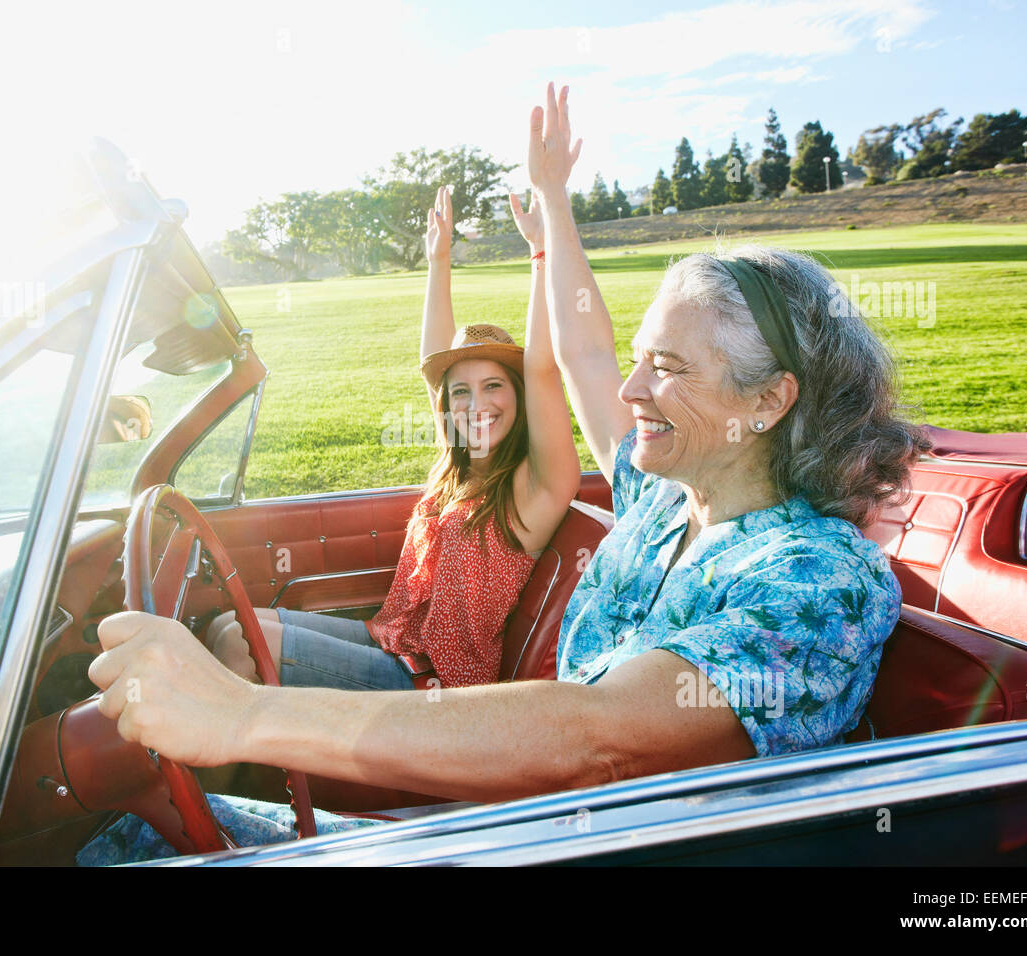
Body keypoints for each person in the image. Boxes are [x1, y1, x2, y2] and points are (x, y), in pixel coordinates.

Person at [78, 83, 930, 863]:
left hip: (580, 847)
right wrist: (555, 204)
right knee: (132, 828)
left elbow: (596, 738)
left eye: (668, 367)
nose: (632, 390)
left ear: (769, 401)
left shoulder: (822, 582)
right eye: (641, 360)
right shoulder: (661, 494)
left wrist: (243, 713)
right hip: (530, 822)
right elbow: (584, 354)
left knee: (137, 845)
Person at [205, 184, 580, 691]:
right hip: (394, 643)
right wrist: (439, 261)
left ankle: (226, 766)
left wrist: (540, 251)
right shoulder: (459, 464)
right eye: (462, 392)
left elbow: (542, 369)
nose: (477, 405)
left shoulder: (532, 490)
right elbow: (433, 368)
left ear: (518, 396)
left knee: (238, 643)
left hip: (439, 690)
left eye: (494, 386)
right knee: (229, 624)